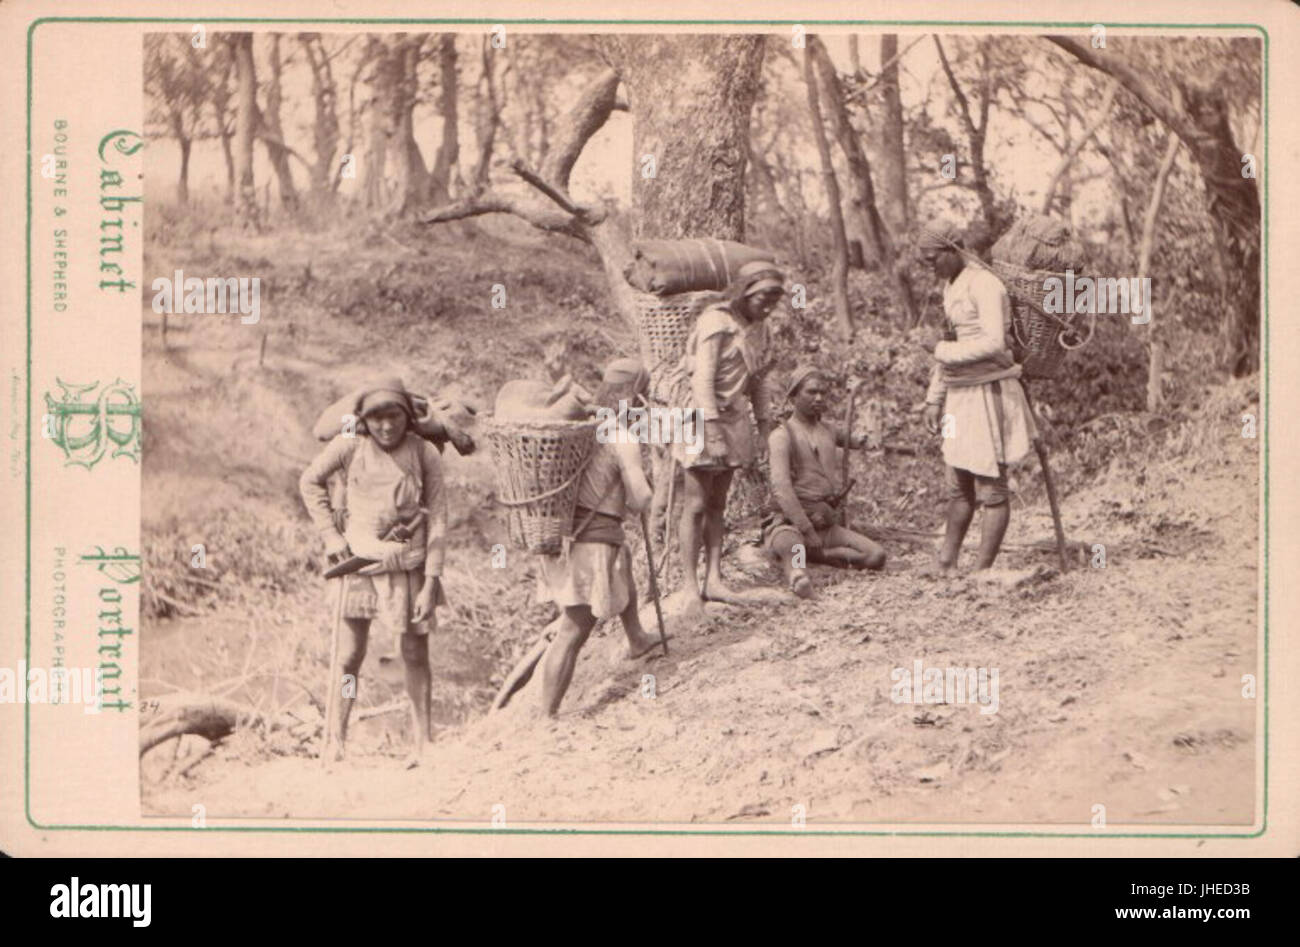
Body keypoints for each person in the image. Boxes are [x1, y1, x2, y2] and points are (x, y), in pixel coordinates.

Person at [299, 375, 448, 767]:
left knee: (414, 651)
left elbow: (438, 517)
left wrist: (431, 581)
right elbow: (310, 481)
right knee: (349, 655)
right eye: (376, 418)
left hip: (407, 564)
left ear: (408, 416)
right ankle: (336, 738)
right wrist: (331, 537)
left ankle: (423, 741)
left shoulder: (423, 453)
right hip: (359, 565)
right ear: (363, 420)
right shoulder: (350, 445)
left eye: (394, 416)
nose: (386, 426)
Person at [530, 358, 661, 717]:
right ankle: (547, 715)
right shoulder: (621, 437)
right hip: (590, 543)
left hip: (567, 537)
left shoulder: (584, 427)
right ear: (635, 399)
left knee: (625, 560)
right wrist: (644, 488)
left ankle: (637, 638)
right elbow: (641, 498)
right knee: (575, 628)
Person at [919, 222, 1037, 571]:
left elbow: (994, 343)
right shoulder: (951, 287)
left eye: (933, 259)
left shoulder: (985, 284)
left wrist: (939, 349)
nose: (930, 267)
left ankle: (982, 570)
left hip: (989, 392)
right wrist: (934, 397)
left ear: (952, 250)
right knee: (957, 482)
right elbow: (951, 341)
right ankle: (947, 561)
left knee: (991, 486)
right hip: (959, 395)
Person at [669, 259, 783, 617]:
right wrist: (712, 431)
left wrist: (764, 426)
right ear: (745, 293)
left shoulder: (760, 329)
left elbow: (759, 381)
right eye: (763, 298)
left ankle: (714, 578)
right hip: (701, 417)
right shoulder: (716, 322)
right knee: (696, 504)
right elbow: (702, 380)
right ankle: (690, 586)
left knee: (718, 503)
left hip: (734, 418)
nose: (769, 306)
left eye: (775, 299)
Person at [763, 367, 886, 597]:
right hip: (791, 523)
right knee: (793, 547)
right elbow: (782, 490)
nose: (819, 398)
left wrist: (865, 433)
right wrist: (806, 529)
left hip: (824, 524)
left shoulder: (828, 430)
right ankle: (797, 576)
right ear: (793, 397)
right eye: (811, 392)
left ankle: (822, 555)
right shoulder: (781, 436)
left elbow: (859, 440)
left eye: (822, 392)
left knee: (875, 555)